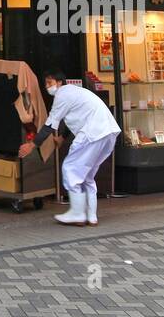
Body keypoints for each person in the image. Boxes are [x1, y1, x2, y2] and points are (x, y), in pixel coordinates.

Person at [19, 71, 120, 225]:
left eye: (50, 82)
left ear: (60, 82)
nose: (47, 87)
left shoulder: (62, 95)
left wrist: (32, 145)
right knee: (87, 175)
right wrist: (62, 137)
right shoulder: (75, 92)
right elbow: (68, 118)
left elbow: (49, 125)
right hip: (108, 132)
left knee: (70, 168)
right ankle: (91, 216)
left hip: (92, 133)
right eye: (45, 83)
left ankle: (77, 214)